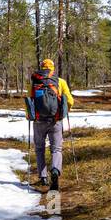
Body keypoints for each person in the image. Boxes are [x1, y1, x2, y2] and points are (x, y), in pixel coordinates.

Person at [26, 57, 74, 190]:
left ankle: (43, 177)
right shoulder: (60, 81)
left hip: (38, 121)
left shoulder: (34, 81)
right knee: (56, 148)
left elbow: (29, 100)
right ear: (53, 68)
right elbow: (70, 100)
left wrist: (29, 116)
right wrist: (64, 112)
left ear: (42, 67)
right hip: (55, 120)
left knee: (39, 149)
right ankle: (55, 171)